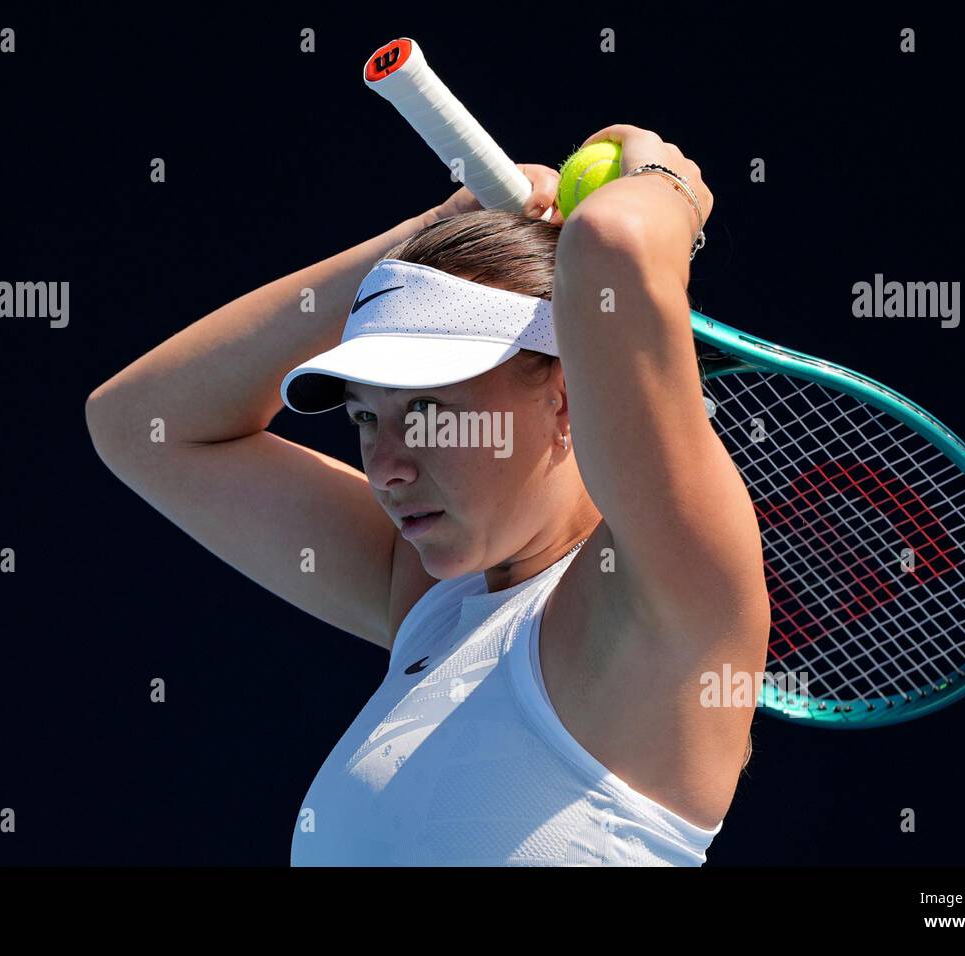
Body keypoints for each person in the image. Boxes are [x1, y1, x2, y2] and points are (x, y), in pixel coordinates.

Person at [85, 124, 770, 866]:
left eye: (428, 414)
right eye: (364, 418)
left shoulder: (662, 592)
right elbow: (141, 425)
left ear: (566, 395)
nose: (385, 468)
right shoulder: (434, 610)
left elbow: (614, 240)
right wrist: (426, 240)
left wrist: (665, 178)